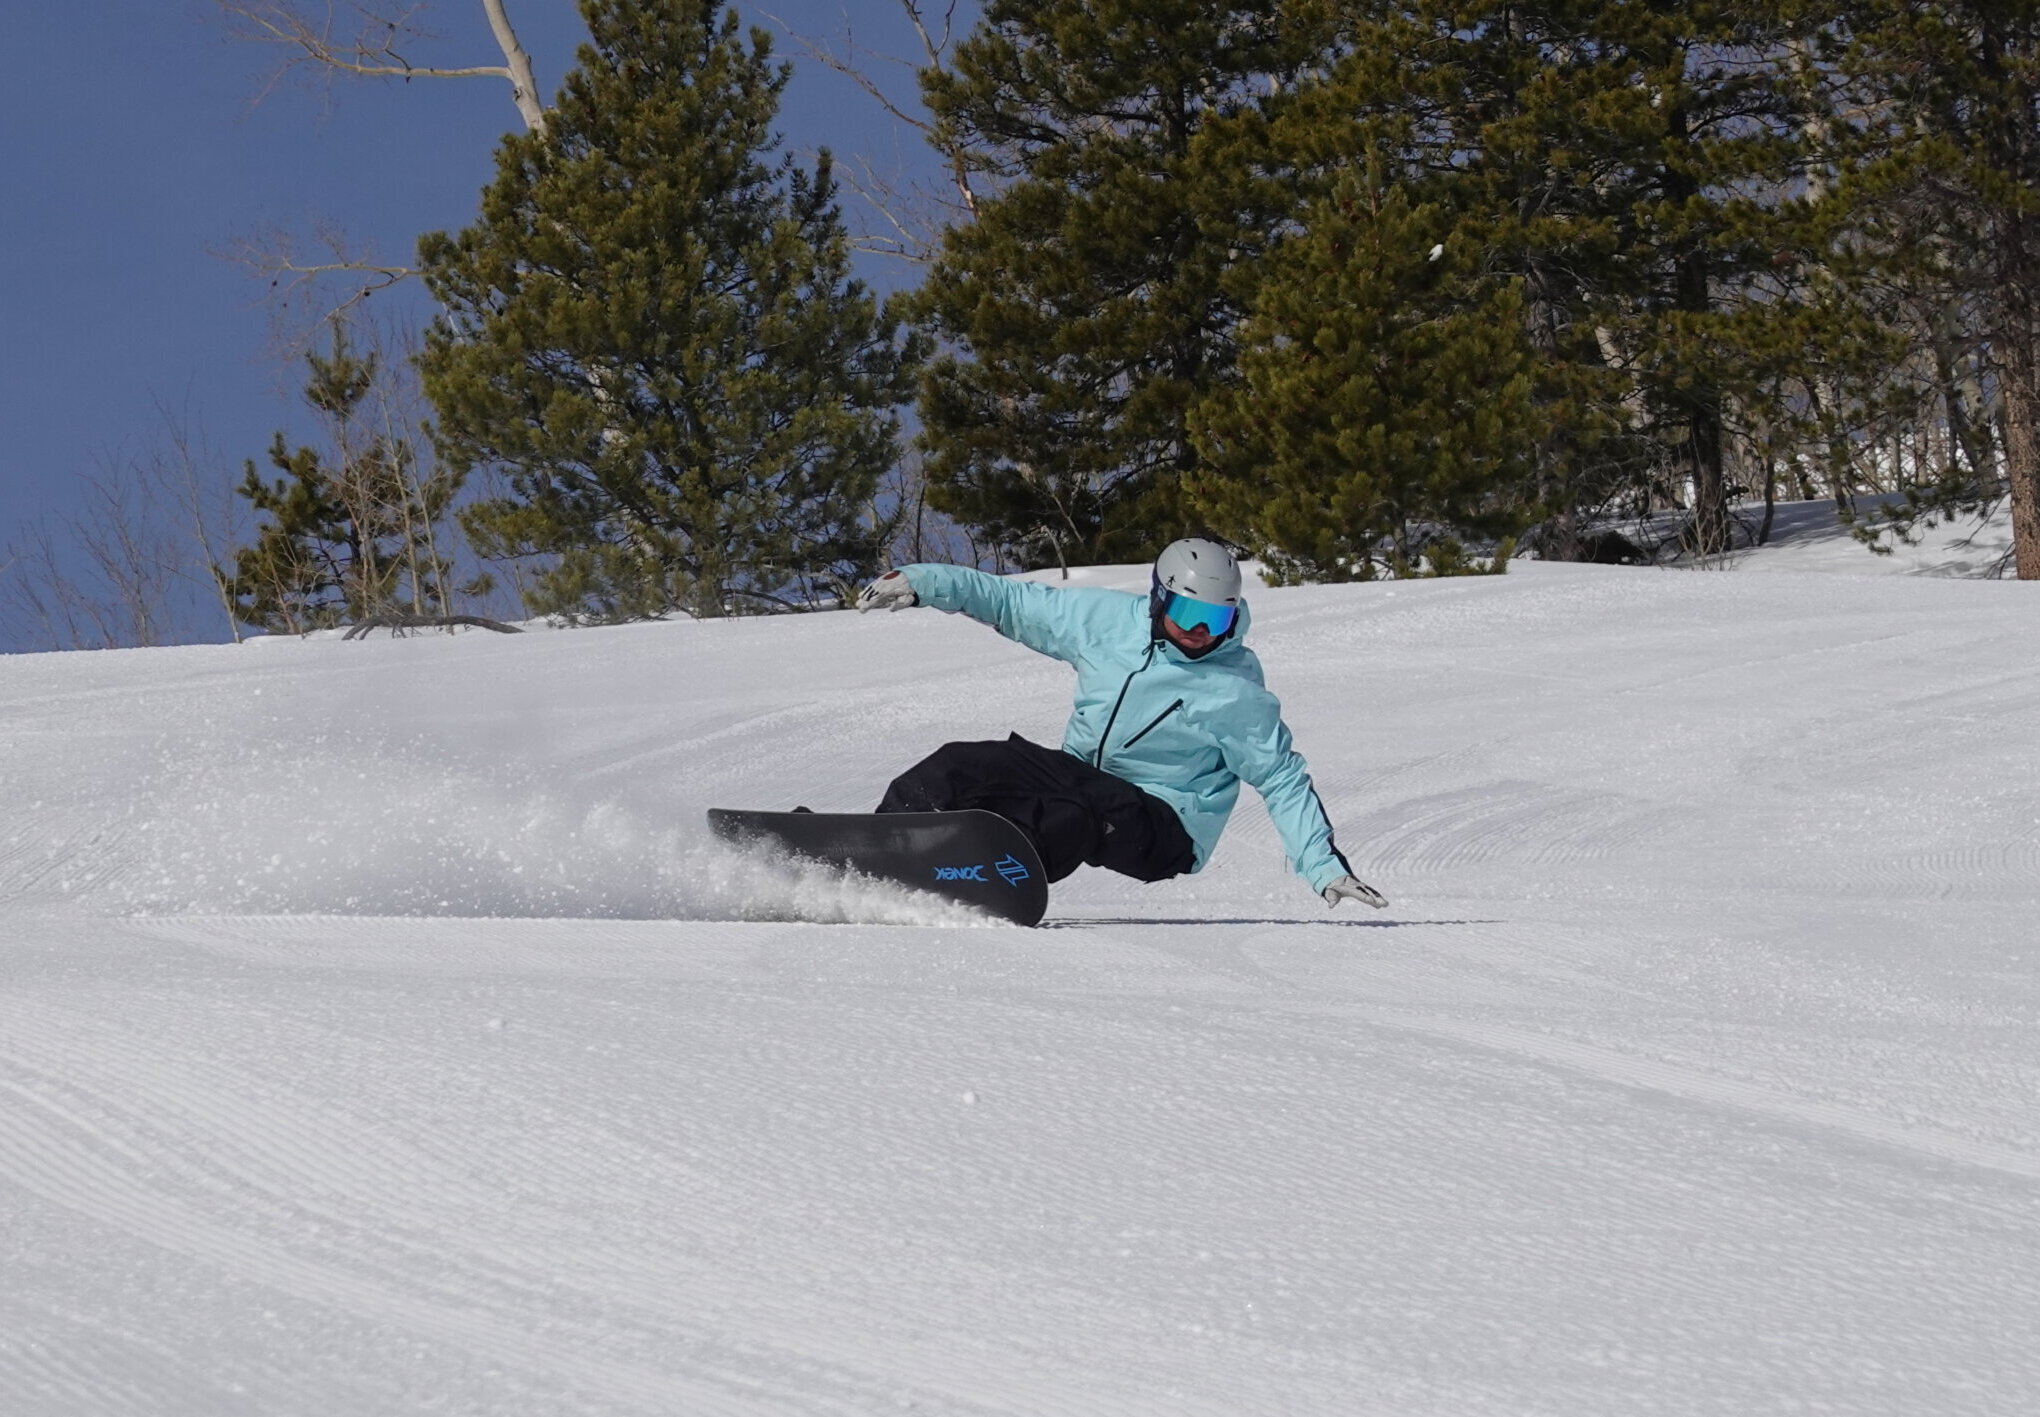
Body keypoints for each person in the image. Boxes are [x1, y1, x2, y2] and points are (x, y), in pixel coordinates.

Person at [854, 538, 1387, 910]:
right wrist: (923, 581)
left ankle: (978, 884)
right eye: (1188, 613)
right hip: (1085, 777)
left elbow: (1281, 778)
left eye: (1218, 618)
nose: (1202, 632)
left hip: (1168, 823)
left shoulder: (1236, 690)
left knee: (1071, 816)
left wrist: (1323, 867)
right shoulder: (1107, 625)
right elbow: (1013, 602)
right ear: (1159, 596)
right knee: (966, 764)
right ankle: (875, 846)